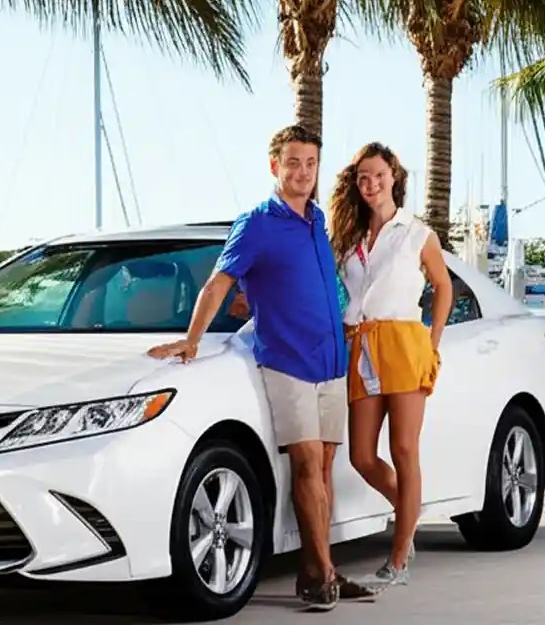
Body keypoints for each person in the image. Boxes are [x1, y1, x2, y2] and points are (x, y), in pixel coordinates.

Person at [147, 124, 376, 610]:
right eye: (293, 162)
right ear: (275, 166)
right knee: (308, 465)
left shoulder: (317, 221)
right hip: (288, 362)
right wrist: (191, 341)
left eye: (310, 163)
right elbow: (219, 282)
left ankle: (320, 571)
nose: (302, 171)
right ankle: (322, 579)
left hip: (331, 363)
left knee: (325, 470)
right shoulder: (255, 223)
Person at [327, 142, 453, 587]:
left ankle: (399, 556)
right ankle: (410, 517)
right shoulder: (350, 237)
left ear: (394, 177)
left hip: (403, 341)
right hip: (360, 344)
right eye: (363, 177)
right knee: (362, 455)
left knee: (404, 450)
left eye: (378, 175)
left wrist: (432, 342)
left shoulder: (417, 233)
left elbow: (443, 287)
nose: (371, 183)